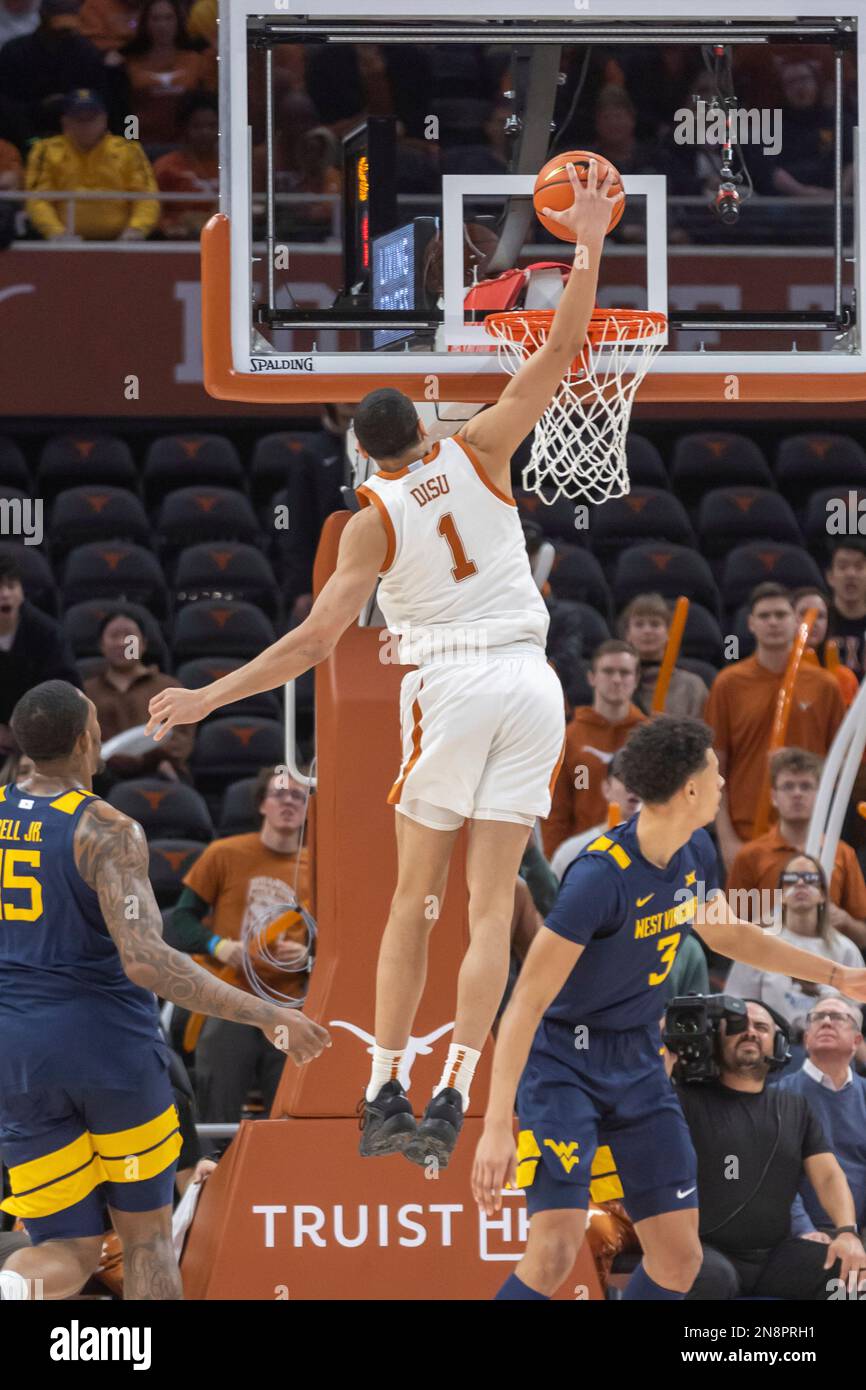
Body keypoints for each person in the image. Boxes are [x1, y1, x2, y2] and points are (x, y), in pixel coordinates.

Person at [146, 161, 623, 1167]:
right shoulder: (485, 446)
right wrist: (583, 244)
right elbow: (566, 348)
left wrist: (205, 696)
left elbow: (316, 642)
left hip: (450, 681)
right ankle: (456, 1087)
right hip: (533, 685)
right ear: (424, 426)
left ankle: (383, 1086)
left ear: (364, 455)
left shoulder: (368, 518)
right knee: (493, 905)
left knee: (415, 901)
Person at [470, 715, 866, 1302]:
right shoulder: (598, 878)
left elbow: (725, 934)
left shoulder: (693, 848)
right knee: (554, 1249)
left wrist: (836, 974)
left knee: (680, 1258)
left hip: (636, 1059)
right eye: (714, 771)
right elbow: (525, 1003)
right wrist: (497, 1125)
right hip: (563, 1062)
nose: (724, 782)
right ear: (687, 789)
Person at [0, 681, 328, 1301]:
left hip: (17, 1055)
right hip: (107, 1048)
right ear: (84, 740)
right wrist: (266, 1013)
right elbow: (148, 962)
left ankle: (14, 1288)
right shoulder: (103, 828)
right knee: (146, 1238)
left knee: (64, 1248)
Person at [679, 1000, 866, 1300]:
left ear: (778, 1043)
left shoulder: (795, 1107)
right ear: (716, 1039)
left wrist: (847, 1232)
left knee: (852, 1272)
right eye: (738, 1025)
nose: (750, 1032)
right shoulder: (685, 1099)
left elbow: (829, 1175)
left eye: (761, 1027)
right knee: (709, 1278)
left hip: (776, 1256)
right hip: (707, 1251)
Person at [166, 765, 313, 1122]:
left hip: (290, 1001)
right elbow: (180, 923)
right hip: (231, 994)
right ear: (262, 804)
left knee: (296, 1086)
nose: (289, 802)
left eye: (299, 795)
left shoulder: (320, 867)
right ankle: (214, 1163)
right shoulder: (223, 853)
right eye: (279, 794)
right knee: (219, 1061)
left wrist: (310, 956)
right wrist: (218, 946)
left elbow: (344, 939)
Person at [705, 583, 845, 869]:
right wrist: (727, 839)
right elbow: (715, 766)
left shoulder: (825, 685)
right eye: (765, 616)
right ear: (751, 624)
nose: (773, 622)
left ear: (796, 621)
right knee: (749, 914)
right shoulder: (728, 683)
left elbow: (839, 766)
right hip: (745, 832)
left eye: (781, 615)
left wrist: (827, 834)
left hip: (809, 831)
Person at [727, 747, 866, 944]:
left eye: (806, 786)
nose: (797, 794)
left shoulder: (843, 854)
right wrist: (778, 924)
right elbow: (730, 933)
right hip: (770, 966)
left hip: (828, 966)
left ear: (822, 795)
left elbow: (863, 936)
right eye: (788, 786)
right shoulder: (751, 855)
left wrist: (846, 922)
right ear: (773, 796)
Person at [725, 853, 863, 1035]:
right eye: (790, 879)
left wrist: (819, 989)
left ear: (823, 895)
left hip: (829, 1040)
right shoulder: (759, 945)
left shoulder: (845, 949)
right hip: (773, 1044)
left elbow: (853, 1015)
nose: (800, 884)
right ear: (780, 895)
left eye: (810, 879)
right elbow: (738, 1004)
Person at [543, 639, 646, 859]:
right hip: (585, 854)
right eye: (608, 671)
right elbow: (556, 810)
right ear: (591, 677)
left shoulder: (652, 736)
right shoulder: (569, 737)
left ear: (636, 679)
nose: (617, 679)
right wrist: (555, 863)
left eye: (625, 672)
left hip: (643, 854)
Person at [778, 999, 866, 1236]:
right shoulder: (777, 1096)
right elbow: (775, 1176)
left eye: (837, 1017)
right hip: (799, 1234)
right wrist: (804, 1229)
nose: (826, 1021)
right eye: (818, 1017)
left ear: (856, 1041)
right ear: (806, 1039)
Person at [25, 87, 158, 240]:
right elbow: (38, 199)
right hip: (63, 243)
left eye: (91, 118)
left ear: (104, 119)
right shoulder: (45, 150)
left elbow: (146, 196)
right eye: (78, 118)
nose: (85, 124)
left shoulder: (129, 150)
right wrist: (55, 233)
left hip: (123, 242)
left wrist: (137, 229)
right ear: (65, 121)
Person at [84, 609, 194, 781]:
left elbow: (181, 738)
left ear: (143, 644)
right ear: (102, 645)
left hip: (159, 771)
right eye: (114, 636)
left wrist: (147, 758)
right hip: (103, 775)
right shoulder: (87, 692)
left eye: (129, 636)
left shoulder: (169, 687)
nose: (122, 643)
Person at [0, 0, 125, 143]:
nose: (66, 35)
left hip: (80, 136)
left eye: (70, 30)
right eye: (59, 30)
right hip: (26, 136)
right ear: (43, 18)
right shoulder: (15, 51)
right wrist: (40, 108)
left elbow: (103, 101)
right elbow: (6, 105)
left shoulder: (85, 51)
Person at [0, 552, 81, 756]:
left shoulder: (47, 634)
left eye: (11, 586)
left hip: (39, 734)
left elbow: (66, 688)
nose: (5, 594)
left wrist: (26, 727)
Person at [122, 0, 214, 152]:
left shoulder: (196, 61)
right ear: (146, 23)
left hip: (187, 149)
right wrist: (130, 144)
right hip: (143, 146)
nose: (162, 25)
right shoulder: (130, 63)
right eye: (156, 19)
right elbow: (126, 112)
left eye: (168, 18)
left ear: (178, 21)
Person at [549, 748, 641, 882]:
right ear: (606, 788)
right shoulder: (573, 851)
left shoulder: (665, 851)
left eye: (642, 780)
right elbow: (551, 900)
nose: (633, 787)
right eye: (625, 778)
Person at [620, 591, 708, 718]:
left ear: (669, 633)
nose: (647, 631)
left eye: (655, 624)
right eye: (639, 624)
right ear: (627, 634)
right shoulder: (615, 681)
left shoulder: (691, 687)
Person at [152, 89, 217, 238]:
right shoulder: (166, 166)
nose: (205, 132)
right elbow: (151, 209)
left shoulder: (233, 167)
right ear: (185, 128)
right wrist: (167, 226)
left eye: (212, 126)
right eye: (197, 126)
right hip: (178, 239)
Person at [793, 585, 859, 706]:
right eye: (804, 614)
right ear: (789, 619)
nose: (812, 621)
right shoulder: (776, 672)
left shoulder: (845, 678)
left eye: (820, 616)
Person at [826, 538, 866, 677]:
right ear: (830, 577)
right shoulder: (819, 622)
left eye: (859, 567)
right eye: (843, 567)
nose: (851, 574)